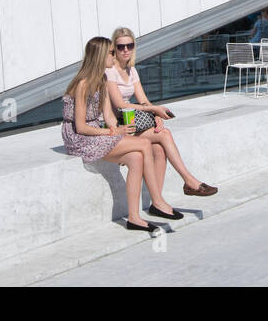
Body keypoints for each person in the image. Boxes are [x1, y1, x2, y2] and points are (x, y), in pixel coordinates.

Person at [62, 36, 180, 233]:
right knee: (143, 146)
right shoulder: (83, 84)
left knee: (135, 157)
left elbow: (108, 114)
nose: (114, 55)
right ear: (100, 56)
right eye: (110, 52)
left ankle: (134, 218)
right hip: (79, 138)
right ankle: (157, 201)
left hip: (97, 132)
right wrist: (113, 132)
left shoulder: (103, 79)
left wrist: (119, 129)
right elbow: (81, 127)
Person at [106, 28, 217, 202]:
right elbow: (119, 104)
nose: (126, 50)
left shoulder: (131, 70)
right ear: (114, 48)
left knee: (159, 148)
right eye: (121, 47)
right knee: (164, 135)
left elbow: (143, 100)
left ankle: (157, 200)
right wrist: (153, 110)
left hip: (131, 123)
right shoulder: (110, 71)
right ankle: (188, 181)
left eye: (129, 45)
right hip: (118, 125)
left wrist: (155, 114)